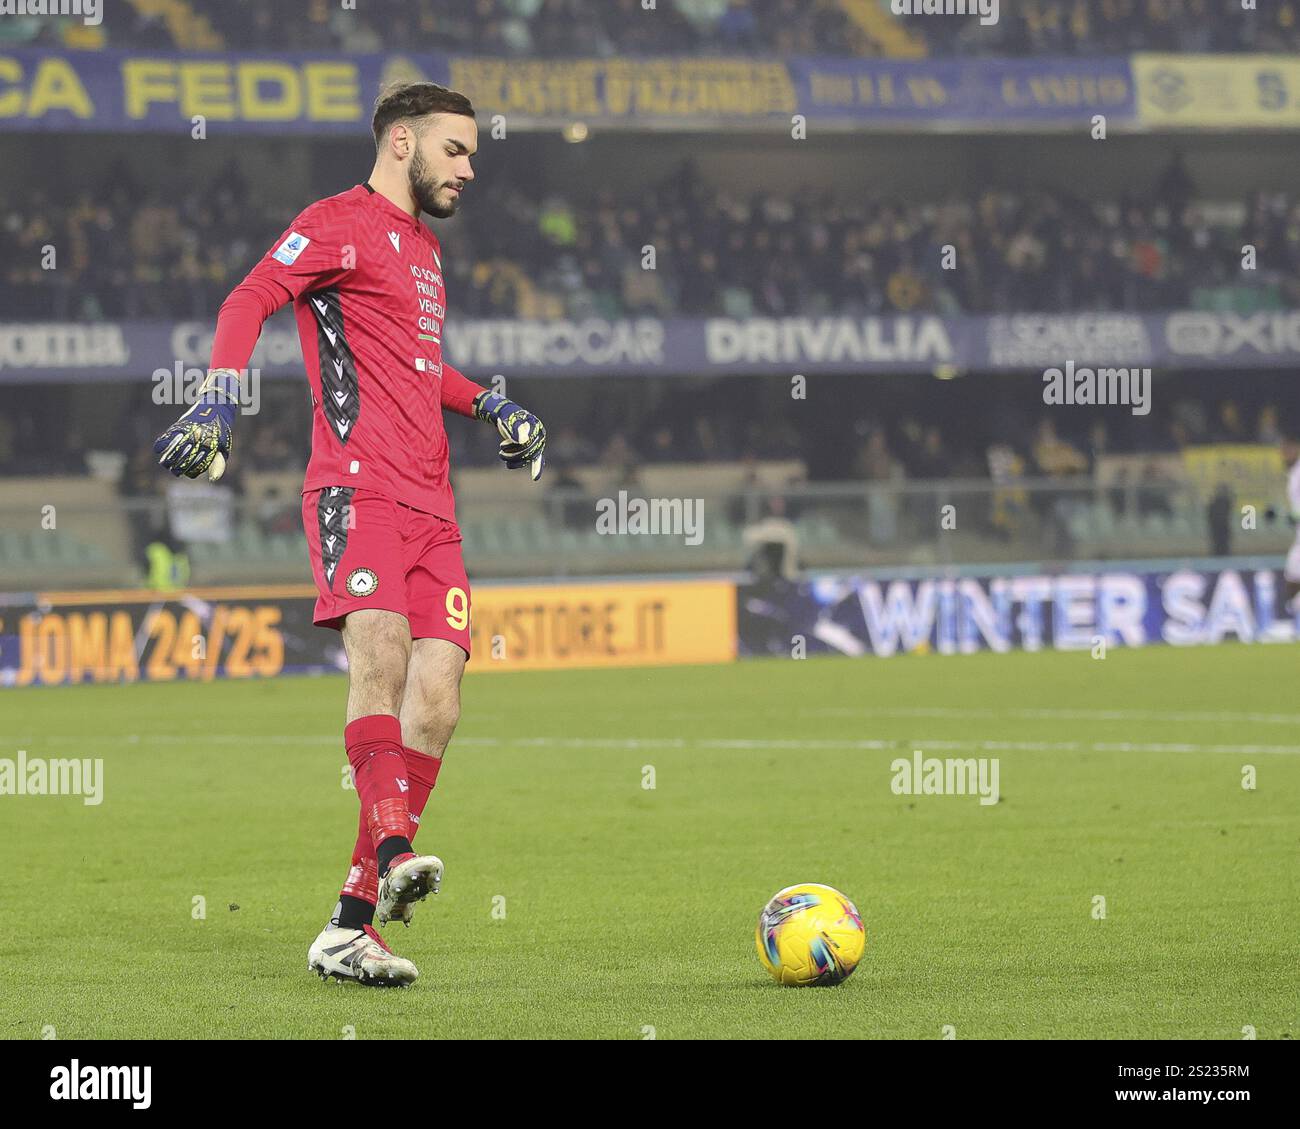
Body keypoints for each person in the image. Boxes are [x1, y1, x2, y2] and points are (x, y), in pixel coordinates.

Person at [152, 82, 548, 988]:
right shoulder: (336, 221)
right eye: (456, 150)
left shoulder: (425, 251)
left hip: (432, 506)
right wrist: (218, 400)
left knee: (439, 697)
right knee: (382, 652)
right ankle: (399, 843)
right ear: (402, 141)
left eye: (473, 154)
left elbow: (417, 364)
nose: (470, 168)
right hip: (356, 489)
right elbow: (247, 299)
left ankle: (349, 924)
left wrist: (487, 399)